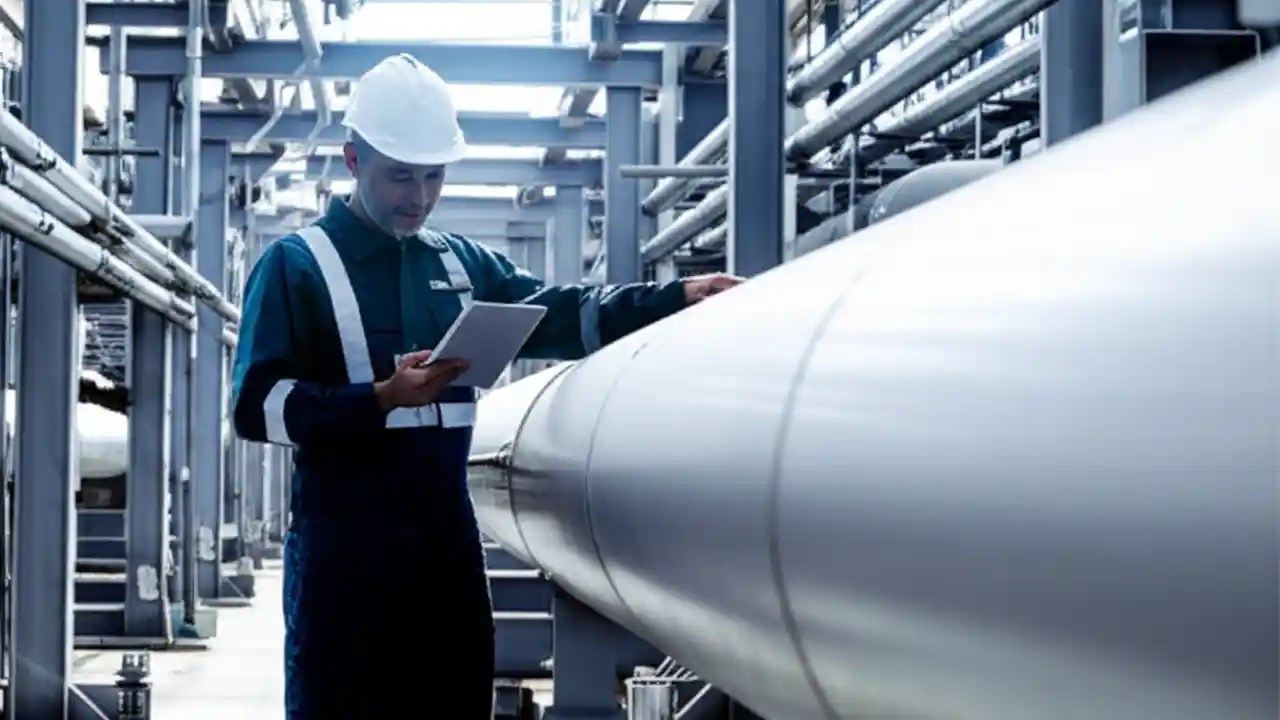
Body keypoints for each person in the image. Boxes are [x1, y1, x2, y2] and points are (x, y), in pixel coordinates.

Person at [230, 53, 743, 719]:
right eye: (400, 177)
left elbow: (562, 313)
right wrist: (380, 399)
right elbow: (255, 407)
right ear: (354, 161)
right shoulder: (296, 266)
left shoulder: (461, 264)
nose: (418, 196)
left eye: (434, 176)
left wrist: (674, 297)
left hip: (445, 540)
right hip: (344, 553)